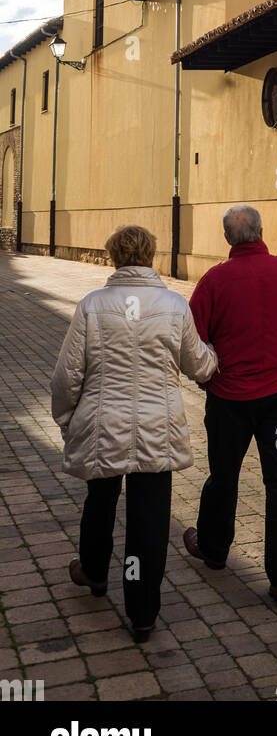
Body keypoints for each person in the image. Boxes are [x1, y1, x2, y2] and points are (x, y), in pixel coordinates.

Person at [51, 224, 217, 641]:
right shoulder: (174, 305)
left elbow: (67, 376)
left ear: (113, 257)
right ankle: (143, 613)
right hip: (156, 429)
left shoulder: (92, 305)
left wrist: (67, 420)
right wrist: (214, 359)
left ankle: (93, 571)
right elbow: (198, 364)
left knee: (101, 500)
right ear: (151, 256)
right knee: (149, 519)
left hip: (103, 423)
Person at [183, 204, 277, 606]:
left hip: (229, 401)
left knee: (223, 476)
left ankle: (213, 549)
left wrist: (206, 377)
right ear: (262, 232)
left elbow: (192, 341)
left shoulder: (214, 281)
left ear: (227, 238)